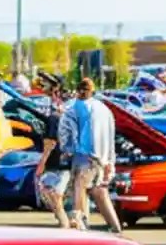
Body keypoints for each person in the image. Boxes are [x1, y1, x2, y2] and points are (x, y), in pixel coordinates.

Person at [59, 78, 123, 234]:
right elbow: (110, 135)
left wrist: (67, 150)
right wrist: (109, 161)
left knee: (79, 189)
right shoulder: (103, 109)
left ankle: (80, 224)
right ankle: (115, 227)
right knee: (100, 191)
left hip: (84, 156)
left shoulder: (76, 108)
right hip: (101, 157)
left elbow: (68, 132)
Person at [34, 89, 79, 229]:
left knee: (52, 194)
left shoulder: (54, 118)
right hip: (72, 161)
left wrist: (41, 163)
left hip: (56, 162)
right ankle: (70, 221)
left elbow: (50, 143)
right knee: (62, 194)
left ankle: (64, 223)